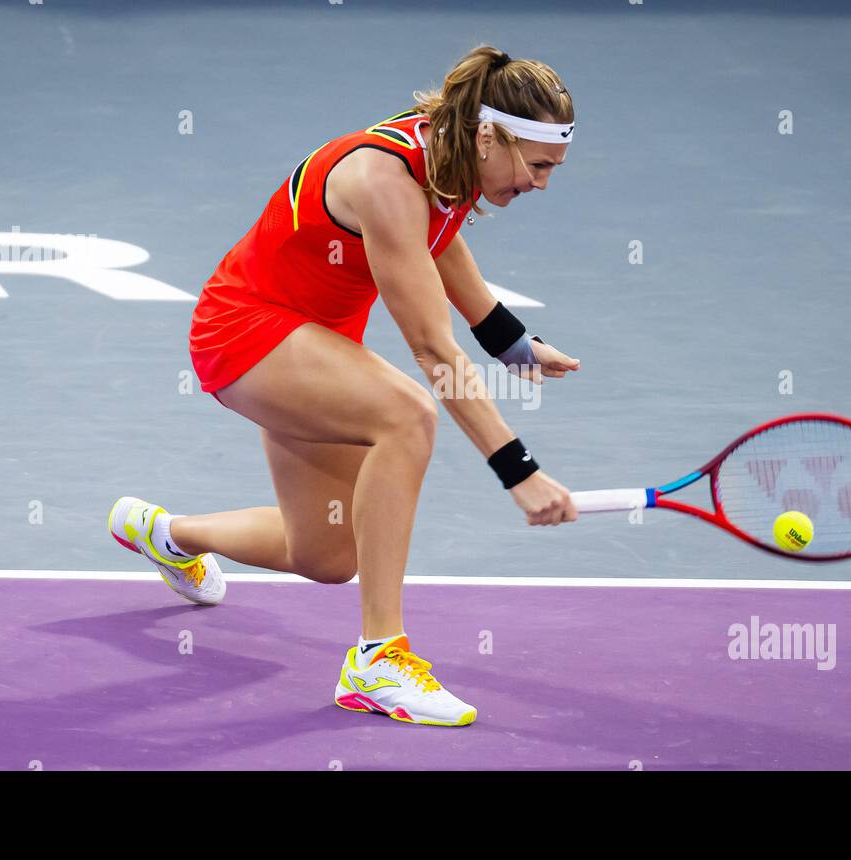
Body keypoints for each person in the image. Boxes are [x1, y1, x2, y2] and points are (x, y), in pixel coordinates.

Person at [110, 45, 580, 727]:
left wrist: (508, 341)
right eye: (537, 166)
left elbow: (438, 236)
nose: (541, 184)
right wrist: (519, 471)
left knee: (327, 554)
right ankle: (377, 661)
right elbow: (429, 347)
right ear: (489, 136)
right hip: (246, 332)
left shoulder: (443, 154)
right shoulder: (385, 180)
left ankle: (167, 534)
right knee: (408, 416)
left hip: (315, 345)